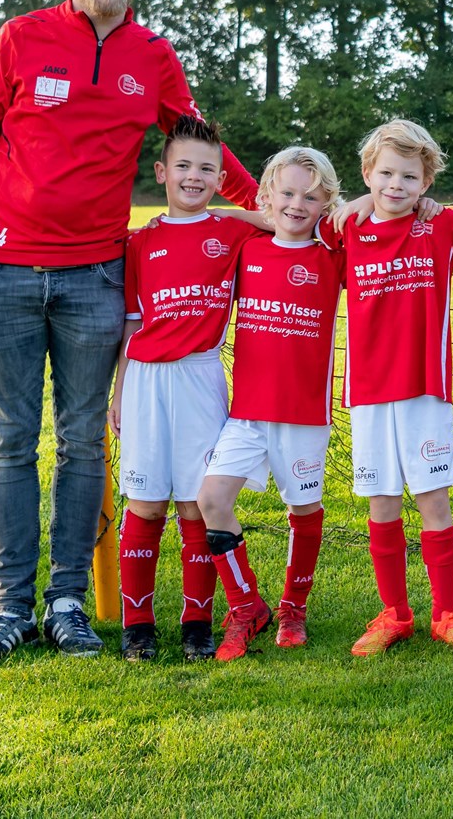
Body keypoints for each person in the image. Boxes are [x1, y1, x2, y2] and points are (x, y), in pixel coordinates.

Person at [0, 0, 259, 671]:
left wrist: (283, 207)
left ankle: (67, 605)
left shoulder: (153, 56)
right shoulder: (20, 38)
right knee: (12, 442)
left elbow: (200, 143)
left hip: (95, 277)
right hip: (7, 273)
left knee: (84, 442)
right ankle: (9, 609)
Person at [107, 117, 268, 662]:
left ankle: (197, 622)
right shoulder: (140, 241)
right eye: (183, 166)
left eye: (207, 169)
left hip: (201, 377)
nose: (193, 177)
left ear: (221, 178)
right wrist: (118, 392)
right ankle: (138, 625)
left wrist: (235, 207)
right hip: (147, 384)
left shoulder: (232, 230)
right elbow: (132, 324)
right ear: (162, 172)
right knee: (147, 505)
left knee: (196, 506)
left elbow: (284, 214)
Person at [337, 120, 453, 657]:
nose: (396, 184)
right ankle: (394, 614)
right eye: (385, 174)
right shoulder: (346, 227)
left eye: (409, 176)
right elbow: (277, 214)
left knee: (433, 499)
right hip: (369, 391)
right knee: (381, 501)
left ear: (426, 183)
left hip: (426, 389)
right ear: (367, 175)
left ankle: (446, 613)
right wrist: (354, 202)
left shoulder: (443, 226)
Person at [197, 147, 345, 661]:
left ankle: (293, 608)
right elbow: (230, 220)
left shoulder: (333, 252)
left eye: (311, 196)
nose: (297, 204)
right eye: (287, 193)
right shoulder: (248, 246)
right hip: (246, 412)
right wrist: (224, 213)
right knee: (211, 499)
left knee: (302, 508)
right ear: (267, 198)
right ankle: (246, 606)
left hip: (303, 413)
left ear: (328, 203)